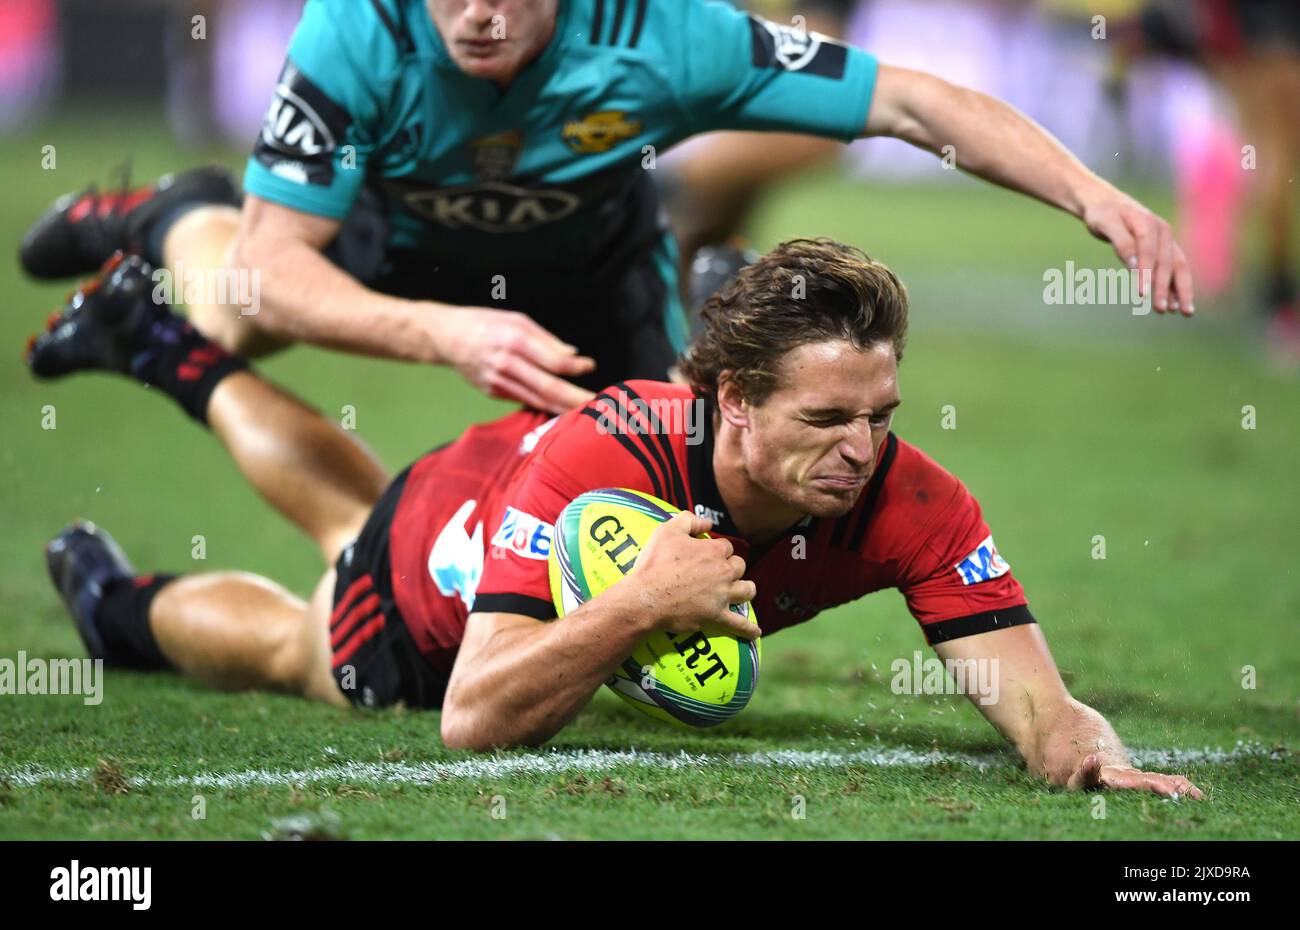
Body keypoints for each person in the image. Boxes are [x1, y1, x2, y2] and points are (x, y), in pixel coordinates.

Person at [27, 240, 1202, 799]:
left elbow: (1039, 701)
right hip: (443, 579)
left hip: (506, 499)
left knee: (346, 509)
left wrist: (1081, 751)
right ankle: (116, 609)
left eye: (882, 413)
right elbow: (476, 720)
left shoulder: (913, 502)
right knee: (308, 637)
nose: (863, 447)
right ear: (732, 402)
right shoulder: (619, 449)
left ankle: (156, 345)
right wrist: (639, 604)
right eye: (828, 417)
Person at [21, 0, 1195, 416]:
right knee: (233, 314)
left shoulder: (665, 33)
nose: (476, 15)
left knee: (692, 500)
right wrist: (447, 331)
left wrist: (1095, 194)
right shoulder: (355, 27)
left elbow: (913, 103)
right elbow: (280, 265)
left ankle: (686, 294)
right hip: (391, 244)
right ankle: (166, 212)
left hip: (590, 270)